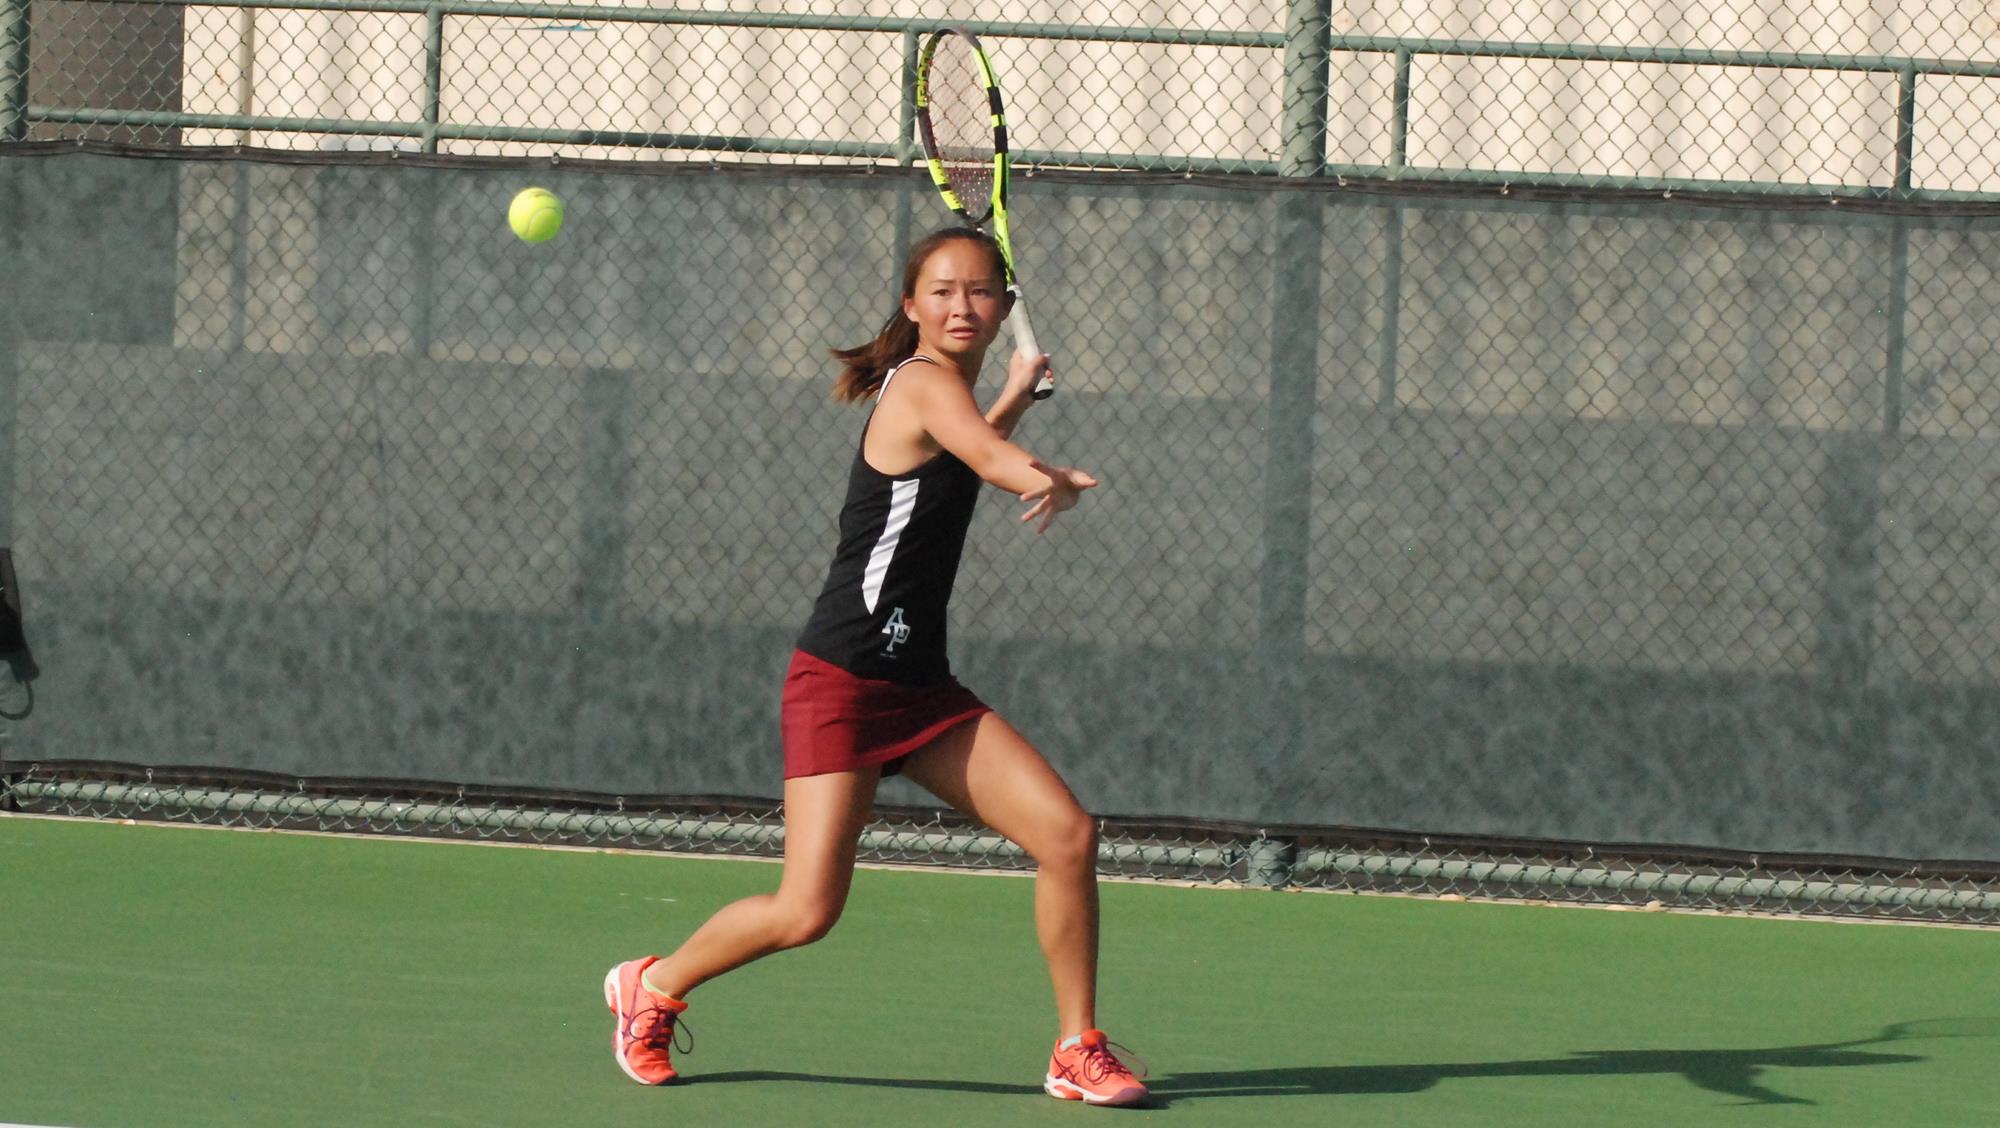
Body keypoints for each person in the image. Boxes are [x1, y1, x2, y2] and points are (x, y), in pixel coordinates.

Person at [601, 226, 1148, 1107]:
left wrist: (1009, 404)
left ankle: (1076, 1047)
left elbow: (951, 472)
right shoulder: (925, 384)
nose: (962, 306)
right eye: (941, 291)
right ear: (910, 307)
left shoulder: (955, 401)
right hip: (844, 681)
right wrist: (1035, 470)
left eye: (979, 292)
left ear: (1005, 306)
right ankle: (653, 985)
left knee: (1067, 836)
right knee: (806, 911)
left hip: (920, 686)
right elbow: (984, 462)